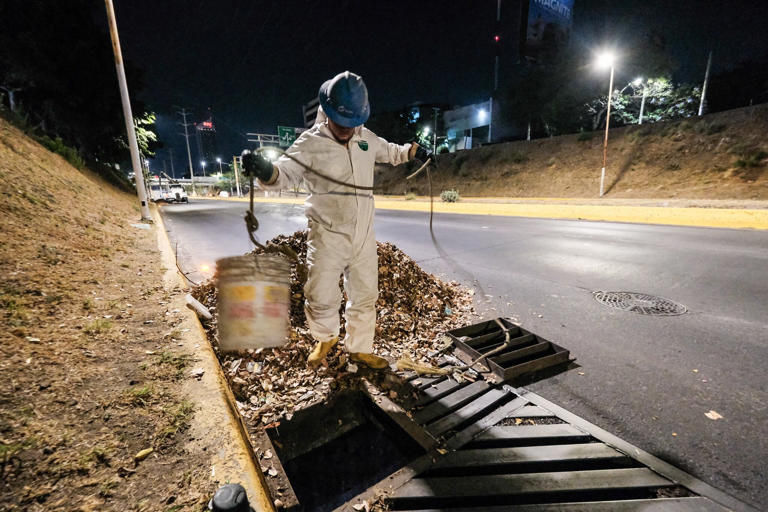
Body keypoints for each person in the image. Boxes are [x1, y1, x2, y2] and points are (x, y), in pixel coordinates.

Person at [242, 71, 432, 369]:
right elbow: (284, 173)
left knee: (365, 295)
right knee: (321, 295)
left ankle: (359, 349)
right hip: (327, 235)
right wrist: (267, 172)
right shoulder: (310, 143)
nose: (346, 128)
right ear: (327, 111)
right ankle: (326, 338)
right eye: (341, 121)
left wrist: (413, 152)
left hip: (363, 235)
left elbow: (391, 152)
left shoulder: (365, 138)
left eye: (352, 122)